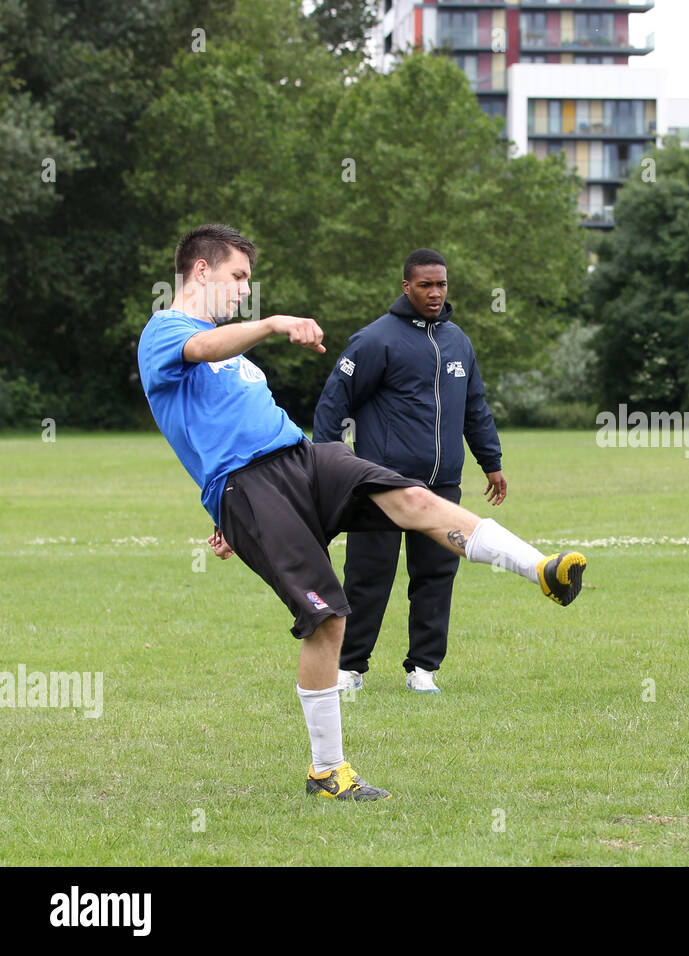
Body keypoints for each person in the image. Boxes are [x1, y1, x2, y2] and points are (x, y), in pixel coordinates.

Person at [137, 224, 586, 800]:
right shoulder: (166, 331)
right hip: (250, 488)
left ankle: (542, 570)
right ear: (200, 271)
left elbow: (220, 418)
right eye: (238, 277)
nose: (245, 291)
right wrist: (275, 324)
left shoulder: (231, 349)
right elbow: (202, 352)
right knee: (329, 620)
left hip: (301, 456)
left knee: (417, 499)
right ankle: (327, 772)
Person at [314, 249, 501, 695]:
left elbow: (474, 407)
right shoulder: (376, 340)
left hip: (442, 486)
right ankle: (349, 668)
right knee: (368, 575)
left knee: (437, 575)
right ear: (406, 287)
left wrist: (490, 462)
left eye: (441, 285)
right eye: (425, 285)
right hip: (382, 486)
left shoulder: (459, 342)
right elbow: (333, 404)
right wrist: (330, 464)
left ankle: (423, 670)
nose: (435, 293)